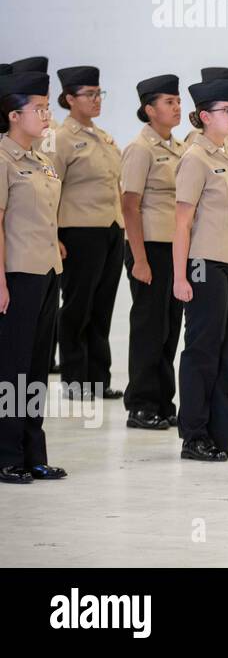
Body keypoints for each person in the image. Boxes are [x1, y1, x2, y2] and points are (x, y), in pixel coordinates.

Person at [172, 77, 228, 462]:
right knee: (201, 351)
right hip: (204, 264)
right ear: (205, 116)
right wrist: (179, 276)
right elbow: (182, 222)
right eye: (227, 111)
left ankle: (224, 434)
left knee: (227, 351)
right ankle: (194, 434)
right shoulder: (195, 158)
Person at [0, 71, 68, 483]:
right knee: (12, 369)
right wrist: (1, 282)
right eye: (38, 108)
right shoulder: (3, 161)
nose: (46, 115)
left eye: (47, 107)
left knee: (38, 367)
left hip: (46, 273)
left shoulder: (41, 160)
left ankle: (32, 451)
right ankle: (7, 453)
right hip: (17, 275)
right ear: (13, 115)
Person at [52, 65, 124, 400]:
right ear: (69, 99)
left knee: (102, 306)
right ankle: (74, 377)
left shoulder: (104, 137)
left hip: (110, 229)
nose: (97, 100)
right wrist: (53, 236)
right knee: (78, 305)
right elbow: (49, 189)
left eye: (99, 93)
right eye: (89, 95)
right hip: (78, 231)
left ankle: (98, 378)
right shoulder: (61, 139)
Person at [120, 75, 185, 430]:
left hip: (173, 248)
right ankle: (141, 403)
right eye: (169, 102)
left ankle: (163, 399)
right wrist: (139, 258)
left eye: (178, 101)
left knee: (169, 327)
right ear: (149, 109)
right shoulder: (140, 149)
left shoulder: (176, 148)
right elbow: (130, 205)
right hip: (150, 249)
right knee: (148, 327)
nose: (177, 108)